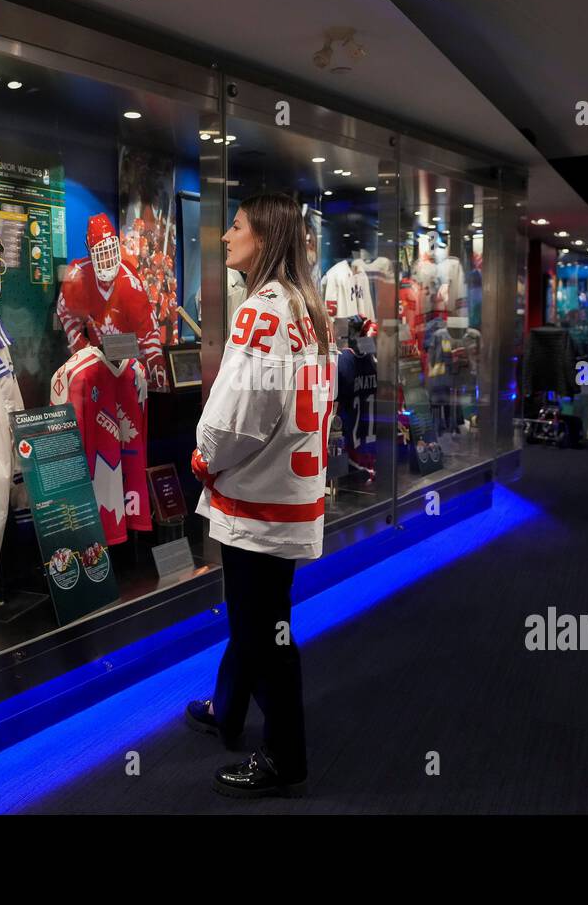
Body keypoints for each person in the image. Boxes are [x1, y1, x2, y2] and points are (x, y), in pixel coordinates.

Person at [185, 192, 335, 798]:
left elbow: (237, 418)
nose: (225, 237)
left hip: (259, 499)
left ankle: (284, 755)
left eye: (238, 226)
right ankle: (226, 708)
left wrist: (202, 456)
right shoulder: (306, 305)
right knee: (259, 615)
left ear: (265, 237)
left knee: (262, 628)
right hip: (291, 492)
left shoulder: (262, 311)